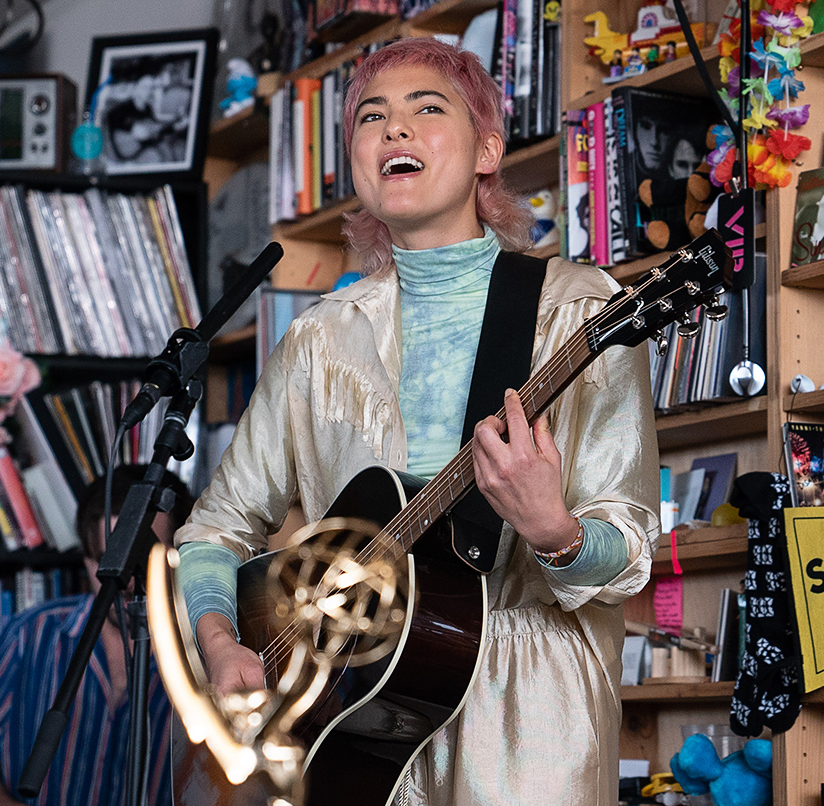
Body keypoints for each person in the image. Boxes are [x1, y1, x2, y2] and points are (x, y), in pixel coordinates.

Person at [173, 37, 658, 805]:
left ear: (487, 151)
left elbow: (628, 546)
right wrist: (220, 640)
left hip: (529, 716)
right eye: (371, 117)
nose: (394, 129)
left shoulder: (577, 310)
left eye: (426, 110)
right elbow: (212, 529)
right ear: (358, 163)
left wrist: (554, 531)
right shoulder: (318, 336)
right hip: (348, 713)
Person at [0, 466, 193, 806]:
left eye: (145, 559)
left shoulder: (203, 656)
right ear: (87, 558)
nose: (127, 581)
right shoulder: (32, 635)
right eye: (108, 561)